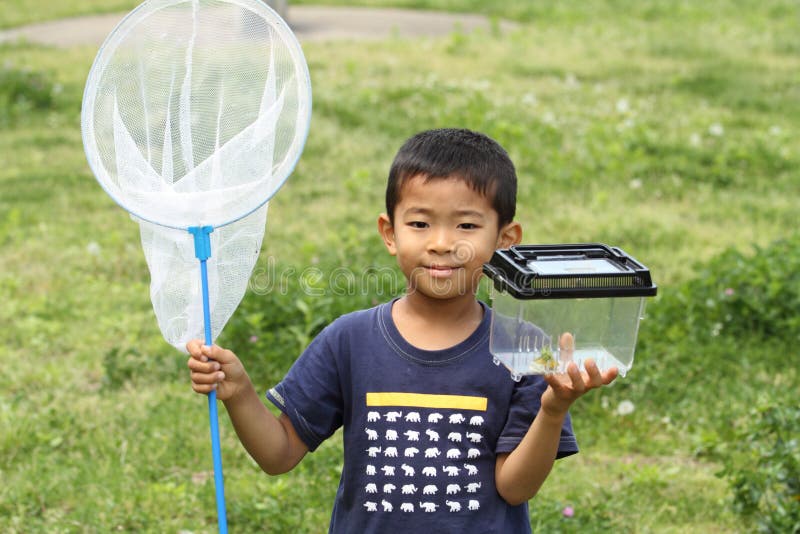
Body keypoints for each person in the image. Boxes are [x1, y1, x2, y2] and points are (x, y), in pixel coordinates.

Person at [187, 128, 617, 532]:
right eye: (420, 224)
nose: (442, 243)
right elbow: (278, 454)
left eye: (466, 225)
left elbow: (515, 487)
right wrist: (239, 391)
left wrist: (553, 409)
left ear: (505, 240)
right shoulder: (349, 342)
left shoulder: (523, 351)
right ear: (389, 233)